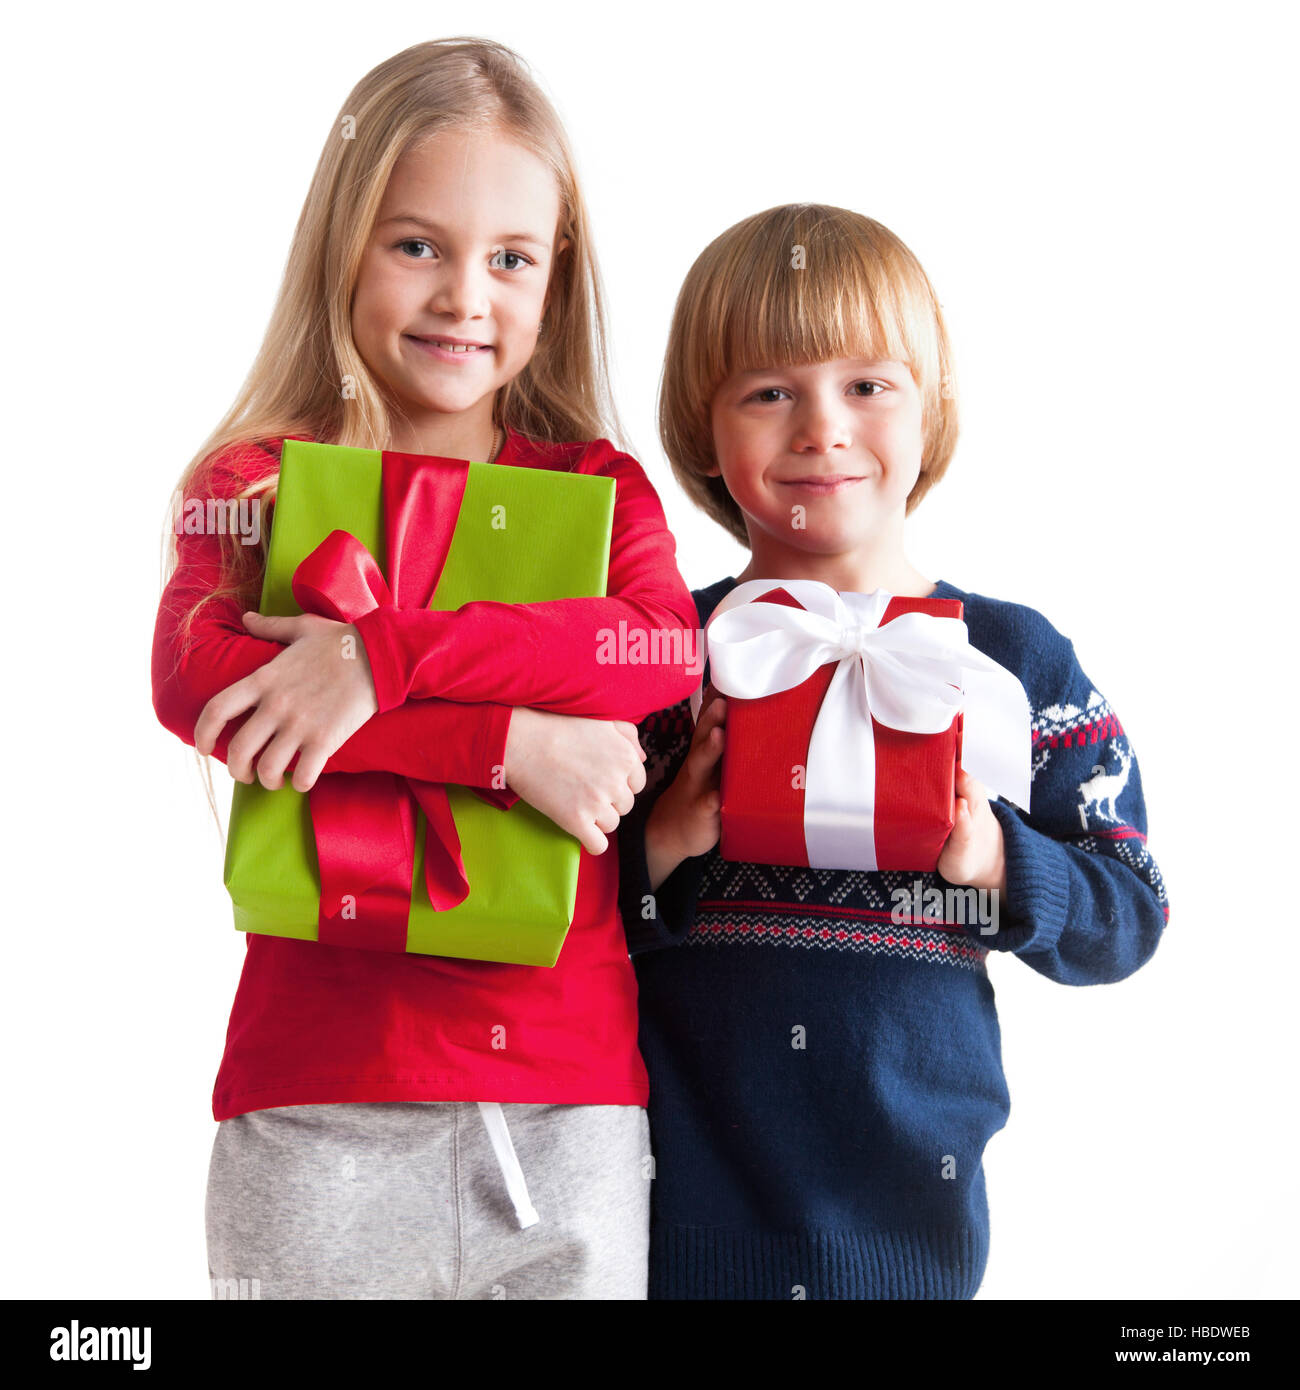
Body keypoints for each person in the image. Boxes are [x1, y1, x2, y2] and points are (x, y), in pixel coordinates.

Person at [151, 37, 698, 1300]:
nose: (466, 295)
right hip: (318, 1099)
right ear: (342, 246)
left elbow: (656, 651)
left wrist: (376, 658)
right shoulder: (251, 484)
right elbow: (199, 686)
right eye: (417, 245)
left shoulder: (597, 492)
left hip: (564, 1102)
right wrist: (502, 745)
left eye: (511, 258)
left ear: (556, 285)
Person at [618, 203, 1170, 1300]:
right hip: (674, 1213)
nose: (820, 428)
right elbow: (554, 917)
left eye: (866, 384)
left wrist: (1004, 863)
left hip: (914, 1227)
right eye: (768, 391)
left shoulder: (1010, 658)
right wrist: (657, 848)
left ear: (931, 405)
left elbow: (1132, 911)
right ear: (702, 424)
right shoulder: (661, 649)